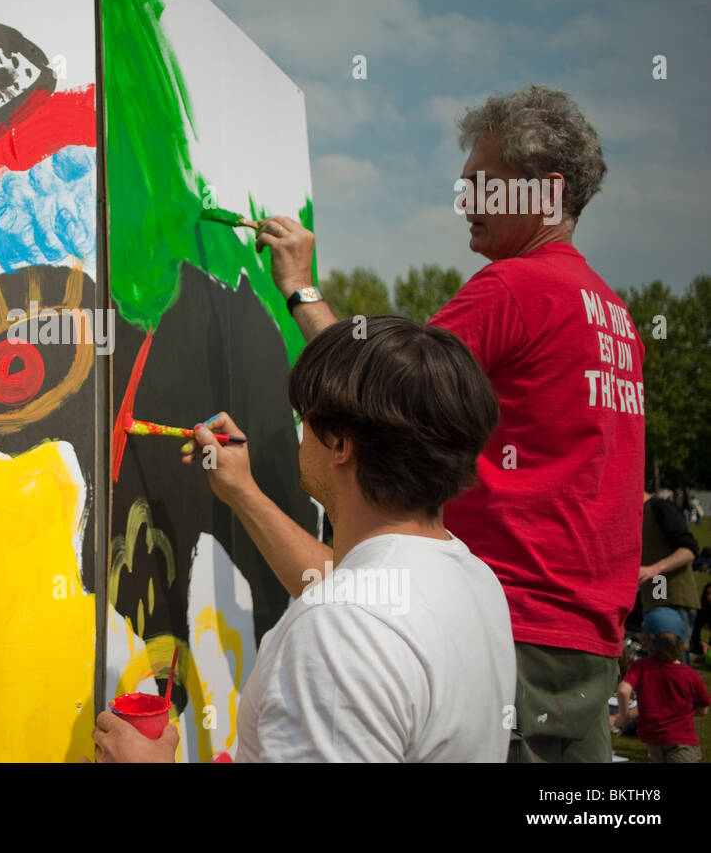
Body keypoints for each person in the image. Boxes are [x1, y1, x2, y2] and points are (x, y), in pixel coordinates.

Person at [252, 85, 645, 762]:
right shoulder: (611, 312)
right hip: (585, 636)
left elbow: (379, 381)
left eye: (481, 185)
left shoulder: (516, 287)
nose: (464, 203)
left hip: (515, 622)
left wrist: (299, 287)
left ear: (543, 192)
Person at [91, 317, 515, 762]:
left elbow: (348, 615)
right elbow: (351, 591)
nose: (300, 433)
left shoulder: (339, 634)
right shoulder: (473, 580)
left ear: (339, 444)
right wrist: (244, 493)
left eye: (304, 419)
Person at [613, 606, 710, 763]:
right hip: (681, 739)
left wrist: (623, 717)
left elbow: (624, 690)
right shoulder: (690, 674)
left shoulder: (641, 667)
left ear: (646, 640)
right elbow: (703, 705)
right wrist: (699, 712)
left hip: (652, 736)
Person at [638, 486, 700, 664]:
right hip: (658, 596)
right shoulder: (635, 515)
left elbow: (688, 550)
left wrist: (654, 569)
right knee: (659, 667)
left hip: (674, 599)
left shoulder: (660, 507)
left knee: (674, 665)